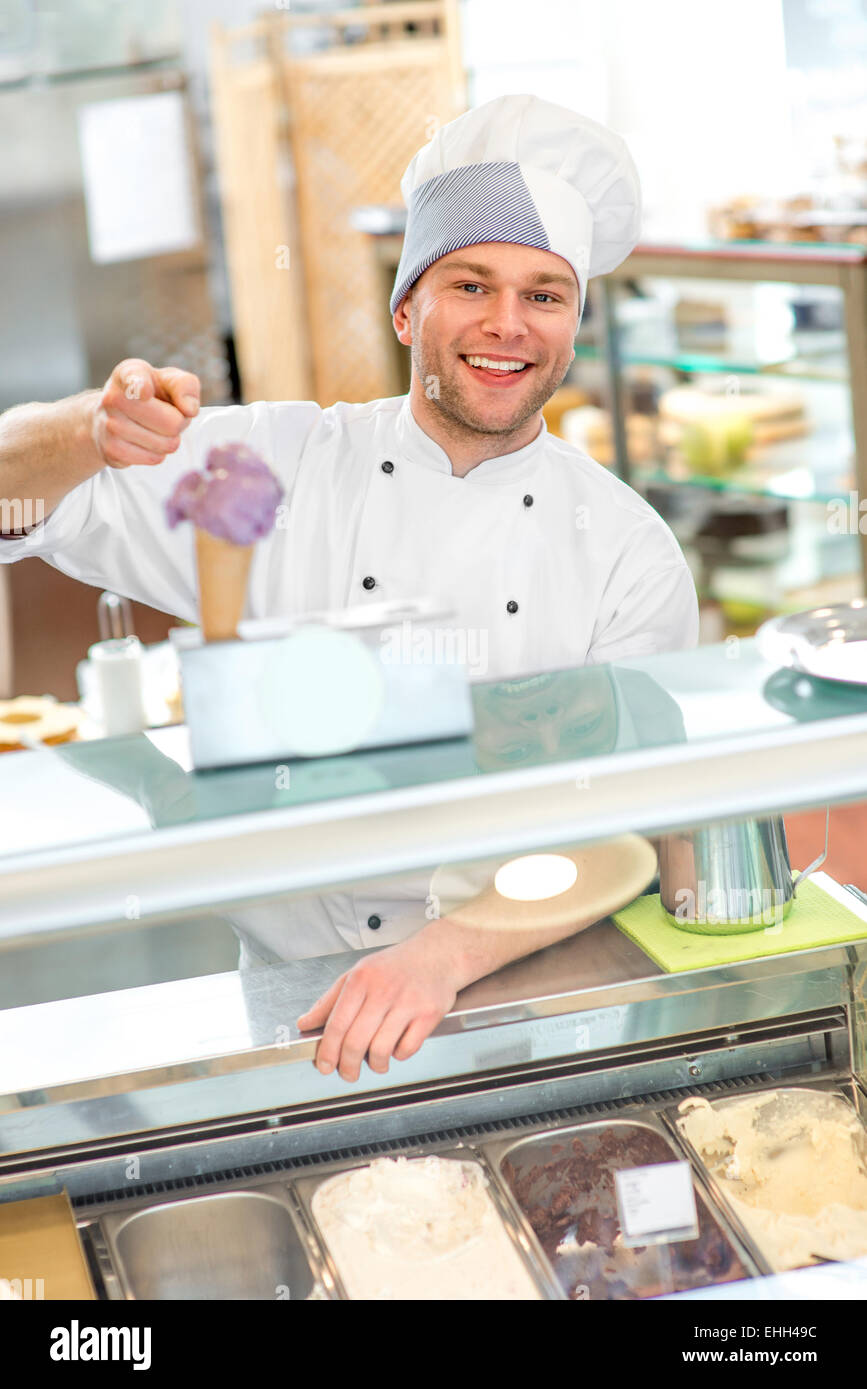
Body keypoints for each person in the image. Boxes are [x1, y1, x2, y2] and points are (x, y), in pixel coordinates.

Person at [0, 94, 698, 1082]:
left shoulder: (627, 550)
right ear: (406, 305)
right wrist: (90, 433)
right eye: (471, 283)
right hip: (296, 1006)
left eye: (545, 295)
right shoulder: (265, 466)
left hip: (537, 983)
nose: (508, 324)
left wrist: (440, 957)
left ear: (575, 329)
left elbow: (626, 828)